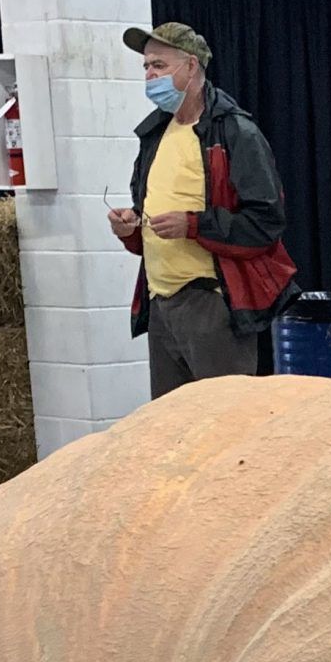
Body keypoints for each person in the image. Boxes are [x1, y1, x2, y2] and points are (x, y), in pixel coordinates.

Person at [111, 21, 294, 396]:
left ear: (191, 67)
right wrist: (130, 229)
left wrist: (193, 225)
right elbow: (143, 208)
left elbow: (265, 222)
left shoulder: (235, 132)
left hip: (212, 304)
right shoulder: (154, 135)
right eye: (146, 67)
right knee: (171, 432)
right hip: (161, 305)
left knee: (224, 428)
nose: (149, 76)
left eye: (158, 66)